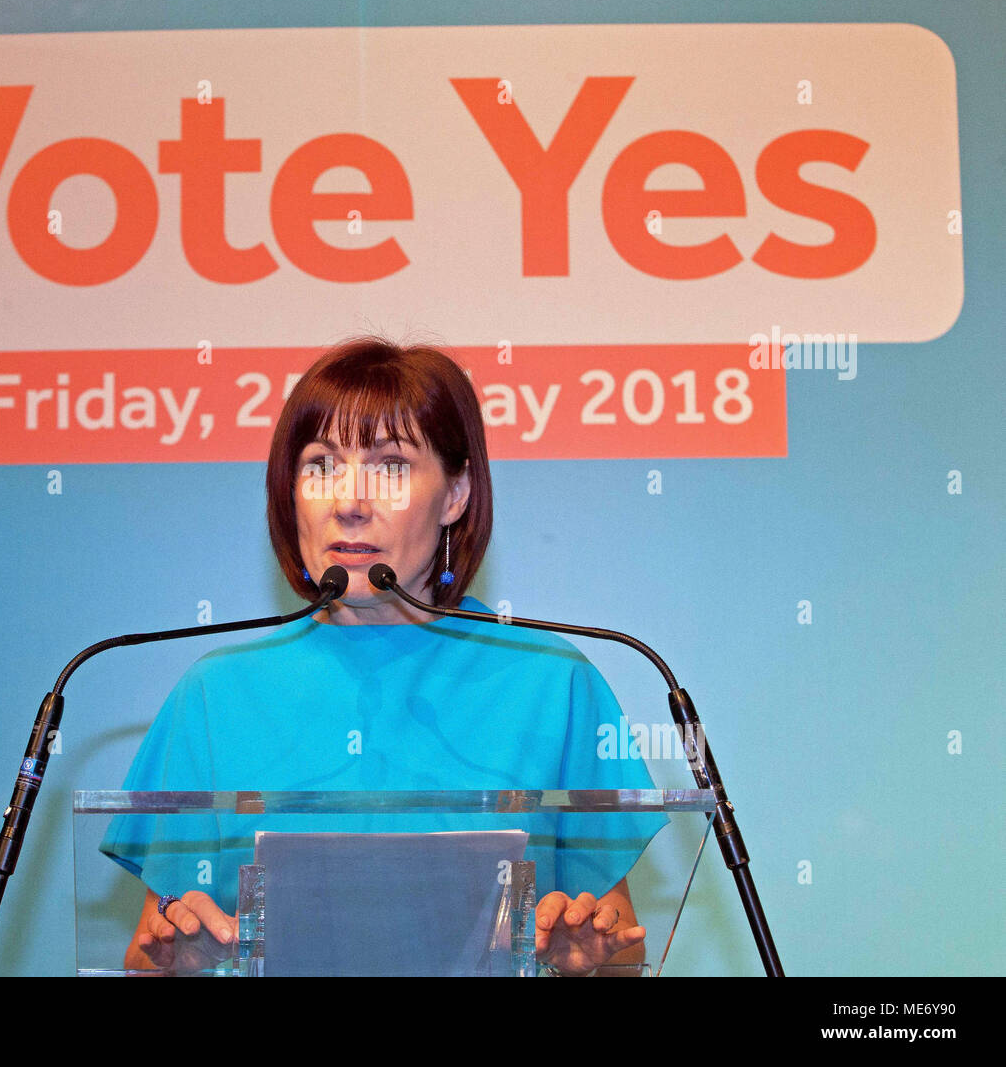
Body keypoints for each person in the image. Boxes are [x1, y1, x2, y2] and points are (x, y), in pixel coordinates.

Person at [100, 335, 667, 975]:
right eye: (320, 465)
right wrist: (184, 962)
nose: (349, 502)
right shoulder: (214, 696)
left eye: (391, 467)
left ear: (456, 494)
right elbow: (149, 953)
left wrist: (583, 961)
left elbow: (621, 944)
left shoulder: (553, 684)